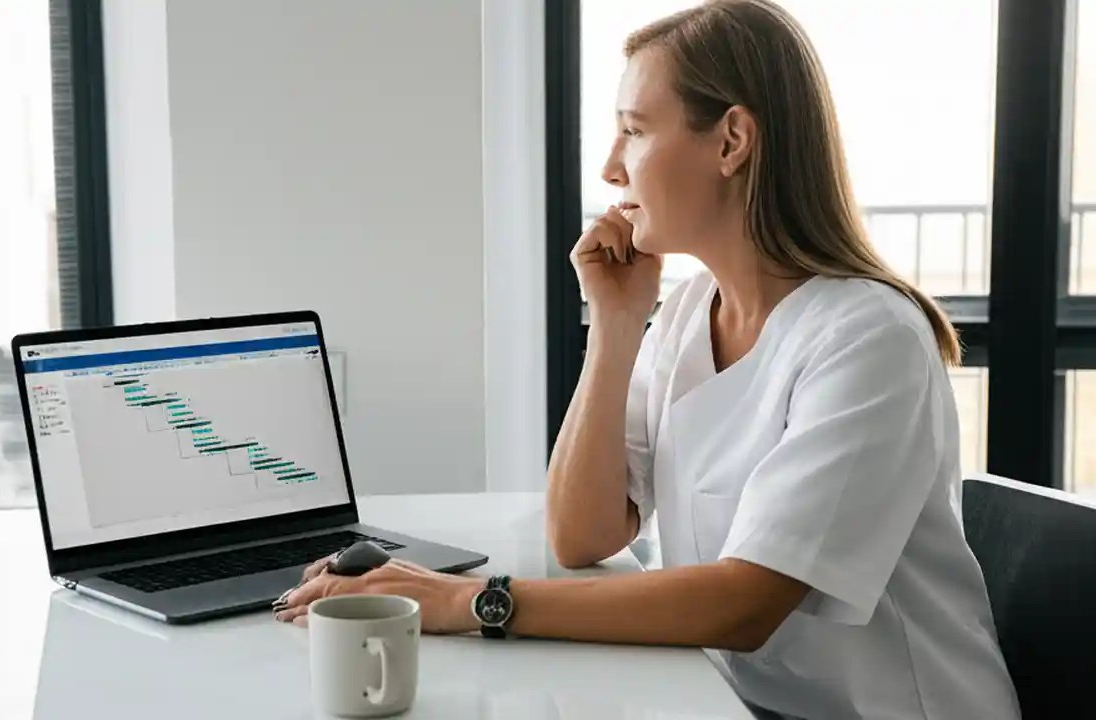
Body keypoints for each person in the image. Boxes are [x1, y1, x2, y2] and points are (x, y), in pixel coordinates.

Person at [276, 1, 1020, 716]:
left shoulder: (870, 337)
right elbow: (584, 533)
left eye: (633, 130)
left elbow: (748, 602)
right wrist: (616, 323)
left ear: (732, 141)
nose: (609, 167)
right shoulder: (691, 312)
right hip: (732, 700)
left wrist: (471, 601)